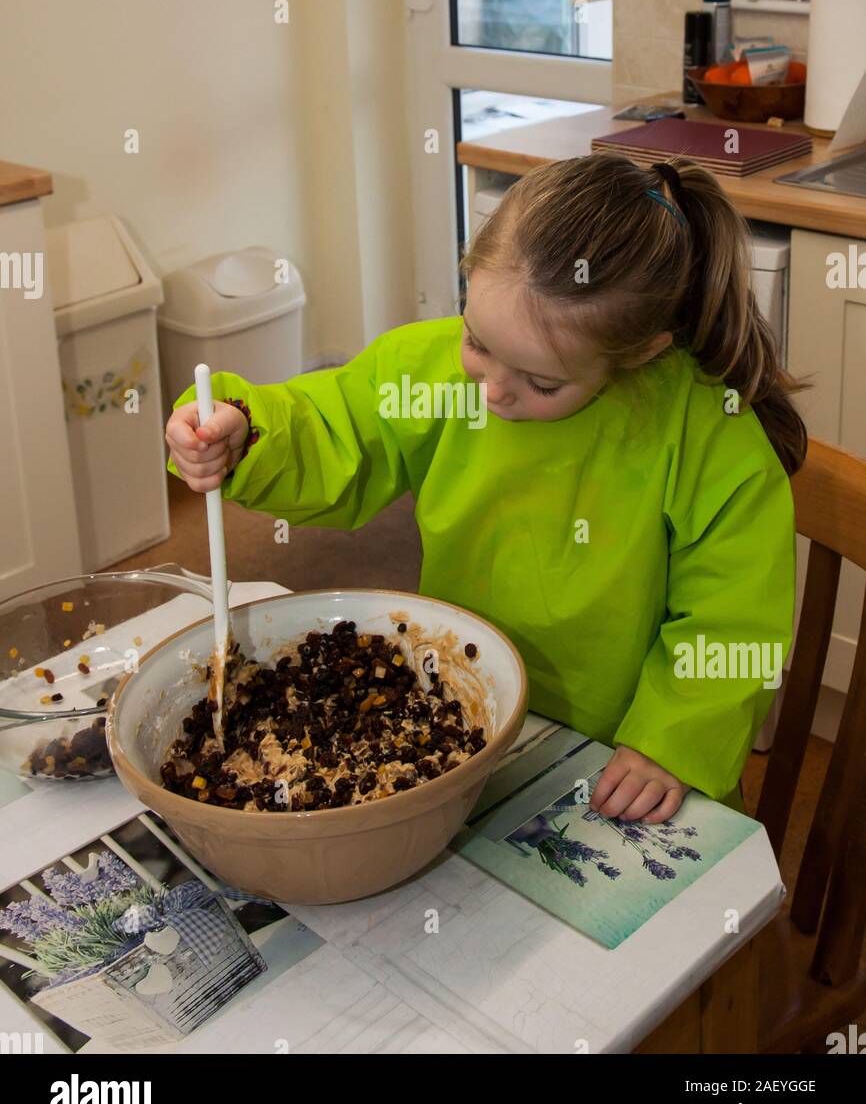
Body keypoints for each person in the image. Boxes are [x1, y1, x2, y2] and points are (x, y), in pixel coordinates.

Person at [165, 153, 805, 824]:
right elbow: (337, 429)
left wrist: (671, 741)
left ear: (641, 351)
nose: (494, 390)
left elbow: (733, 624)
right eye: (477, 341)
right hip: (464, 716)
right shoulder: (434, 370)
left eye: (543, 382)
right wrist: (248, 432)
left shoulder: (713, 439)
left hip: (620, 747)